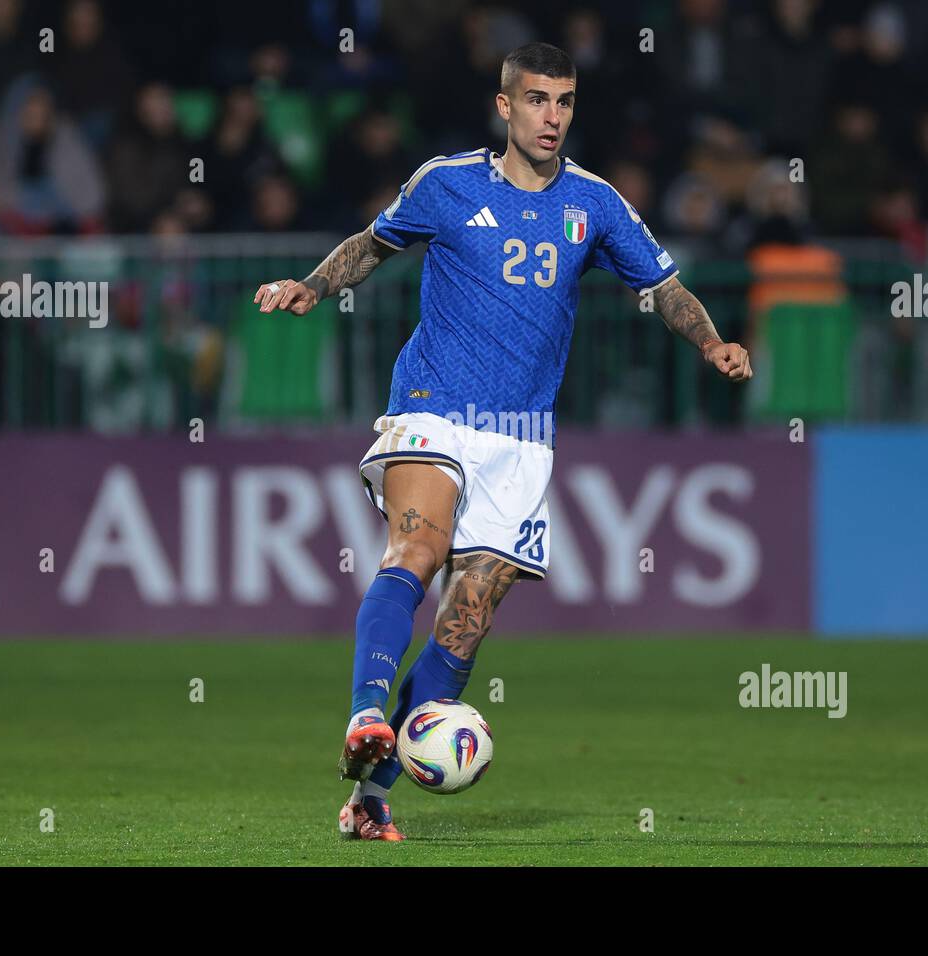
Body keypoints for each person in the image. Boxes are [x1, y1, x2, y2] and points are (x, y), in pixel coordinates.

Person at [252, 42, 751, 842]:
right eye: (538, 100)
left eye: (565, 102)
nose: (552, 117)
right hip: (433, 405)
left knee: (466, 621)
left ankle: (371, 795)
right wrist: (313, 284)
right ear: (505, 106)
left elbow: (663, 288)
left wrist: (711, 342)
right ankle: (365, 714)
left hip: (522, 438)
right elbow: (372, 244)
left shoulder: (598, 204)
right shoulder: (445, 183)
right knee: (417, 552)